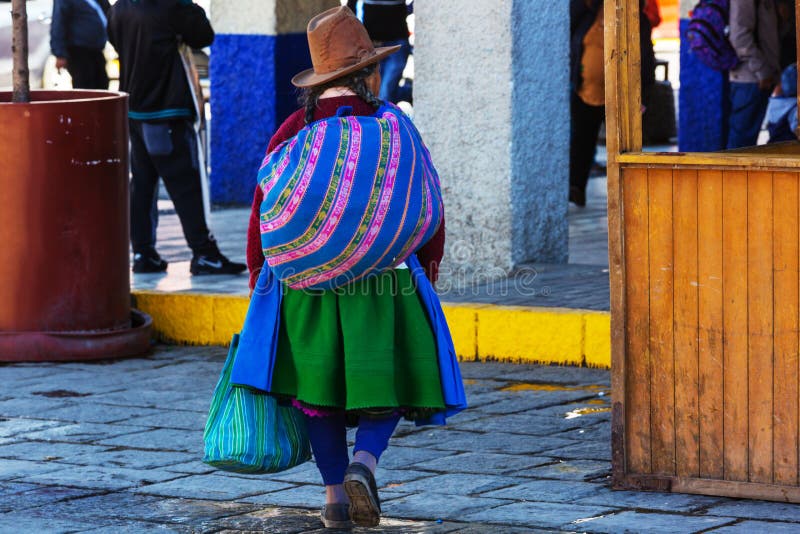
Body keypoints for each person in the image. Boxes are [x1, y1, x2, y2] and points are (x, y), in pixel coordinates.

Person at [243, 6, 463, 529]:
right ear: (366, 76)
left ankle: (334, 497)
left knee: (317, 395)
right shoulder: (392, 126)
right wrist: (426, 271)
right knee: (379, 381)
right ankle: (365, 463)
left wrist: (261, 281)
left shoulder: (294, 130)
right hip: (385, 284)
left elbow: (262, 212)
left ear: (319, 83)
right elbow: (427, 207)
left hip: (304, 287)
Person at [108, 0, 246, 275]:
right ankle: (204, 253)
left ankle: (143, 253)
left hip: (135, 111)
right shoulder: (172, 5)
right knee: (186, 184)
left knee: (143, 184)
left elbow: (115, 41)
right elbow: (203, 34)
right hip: (166, 110)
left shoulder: (120, 8)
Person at [569, 0, 655, 206]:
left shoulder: (637, 21)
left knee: (623, 149)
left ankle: (628, 195)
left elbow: (646, 61)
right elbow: (571, 31)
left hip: (622, 95)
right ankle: (576, 188)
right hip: (585, 92)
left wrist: (642, 97)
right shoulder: (588, 13)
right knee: (582, 142)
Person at [727, 0, 781, 149]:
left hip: (761, 75)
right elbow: (739, 37)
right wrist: (762, 70)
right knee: (742, 144)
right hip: (751, 78)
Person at [346, 0, 413, 104]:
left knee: (385, 92)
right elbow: (350, 7)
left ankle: (406, 92)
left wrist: (409, 10)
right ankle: (407, 91)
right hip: (371, 44)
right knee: (373, 91)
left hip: (397, 42)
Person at [50, 0, 111, 90]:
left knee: (101, 84)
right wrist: (60, 54)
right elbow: (58, 22)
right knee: (85, 87)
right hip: (78, 50)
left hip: (96, 49)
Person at [766, 63, 798, 143]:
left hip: (774, 146)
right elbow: (796, 130)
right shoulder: (795, 108)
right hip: (789, 149)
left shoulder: (774, 102)